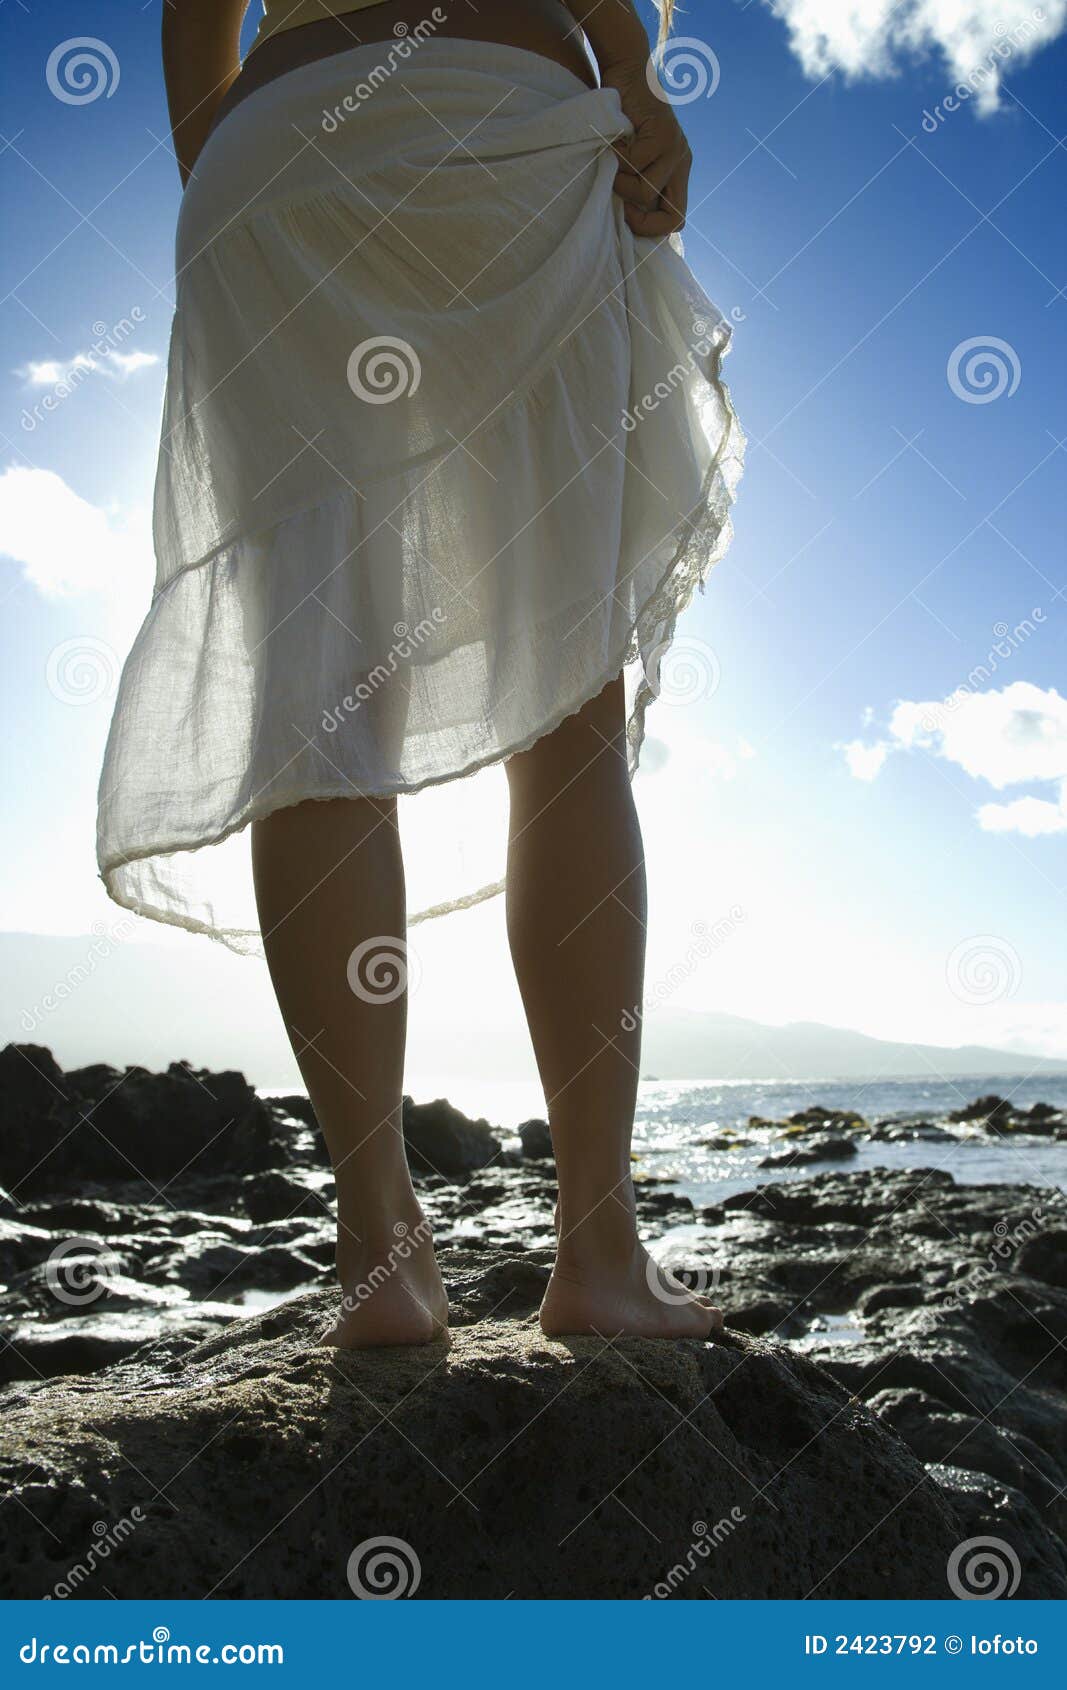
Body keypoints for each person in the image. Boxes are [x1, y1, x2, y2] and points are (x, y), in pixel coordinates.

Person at [98, 1, 744, 1345]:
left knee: (319, 693)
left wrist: (239, 173)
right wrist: (633, 73)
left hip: (275, 153)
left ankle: (381, 1252)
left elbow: (192, 17)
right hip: (498, 117)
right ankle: (597, 1249)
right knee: (569, 710)